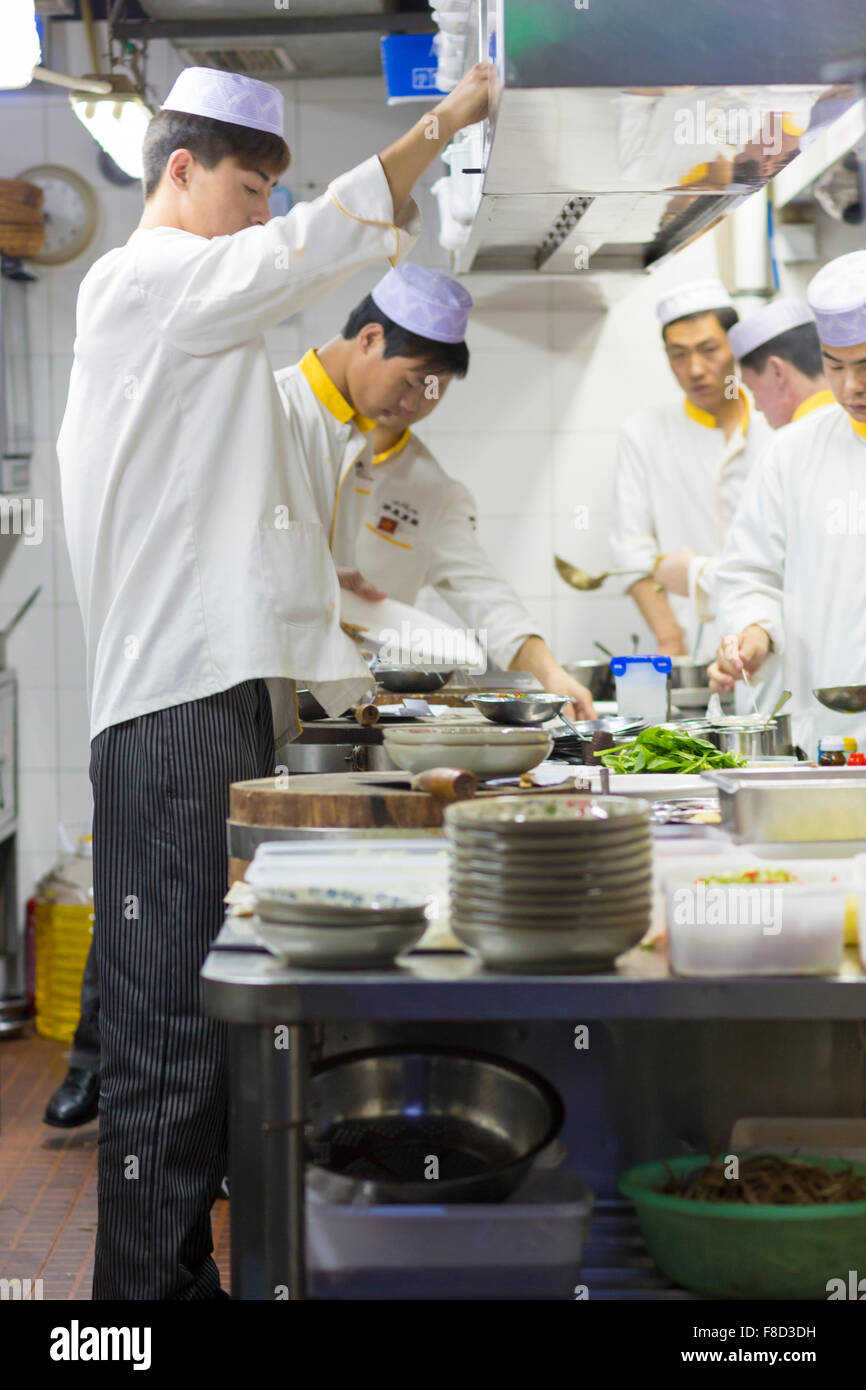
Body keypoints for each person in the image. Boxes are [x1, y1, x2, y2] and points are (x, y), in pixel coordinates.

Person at [56, 61, 490, 1299]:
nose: (259, 219)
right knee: (165, 1033)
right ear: (179, 172)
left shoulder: (204, 328)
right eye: (247, 190)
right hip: (169, 706)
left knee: (197, 1014)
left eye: (270, 197)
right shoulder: (145, 281)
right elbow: (298, 255)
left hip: (213, 695)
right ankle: (133, 1311)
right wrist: (432, 133)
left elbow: (269, 543)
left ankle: (172, 1279)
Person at [274, 263, 596, 716]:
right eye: (409, 381)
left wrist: (550, 674)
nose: (414, 404)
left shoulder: (423, 482)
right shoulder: (272, 411)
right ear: (369, 338)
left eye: (434, 388)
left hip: (347, 706)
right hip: (253, 696)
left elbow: (483, 593)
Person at [709, 251, 866, 755]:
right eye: (834, 365)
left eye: (865, 366)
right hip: (825, 737)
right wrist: (755, 630)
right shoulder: (794, 451)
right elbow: (751, 574)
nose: (850, 386)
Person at [651, 298, 834, 647]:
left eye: (751, 388)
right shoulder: (844, 432)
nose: (758, 405)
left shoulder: (788, 449)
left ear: (778, 373)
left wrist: (694, 573)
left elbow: (785, 579)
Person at [609, 278, 771, 661]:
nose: (695, 369)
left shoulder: (774, 428)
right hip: (691, 650)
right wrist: (671, 644)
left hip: (771, 643)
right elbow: (632, 554)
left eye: (709, 349)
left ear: (736, 348)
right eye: (678, 354)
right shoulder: (644, 433)